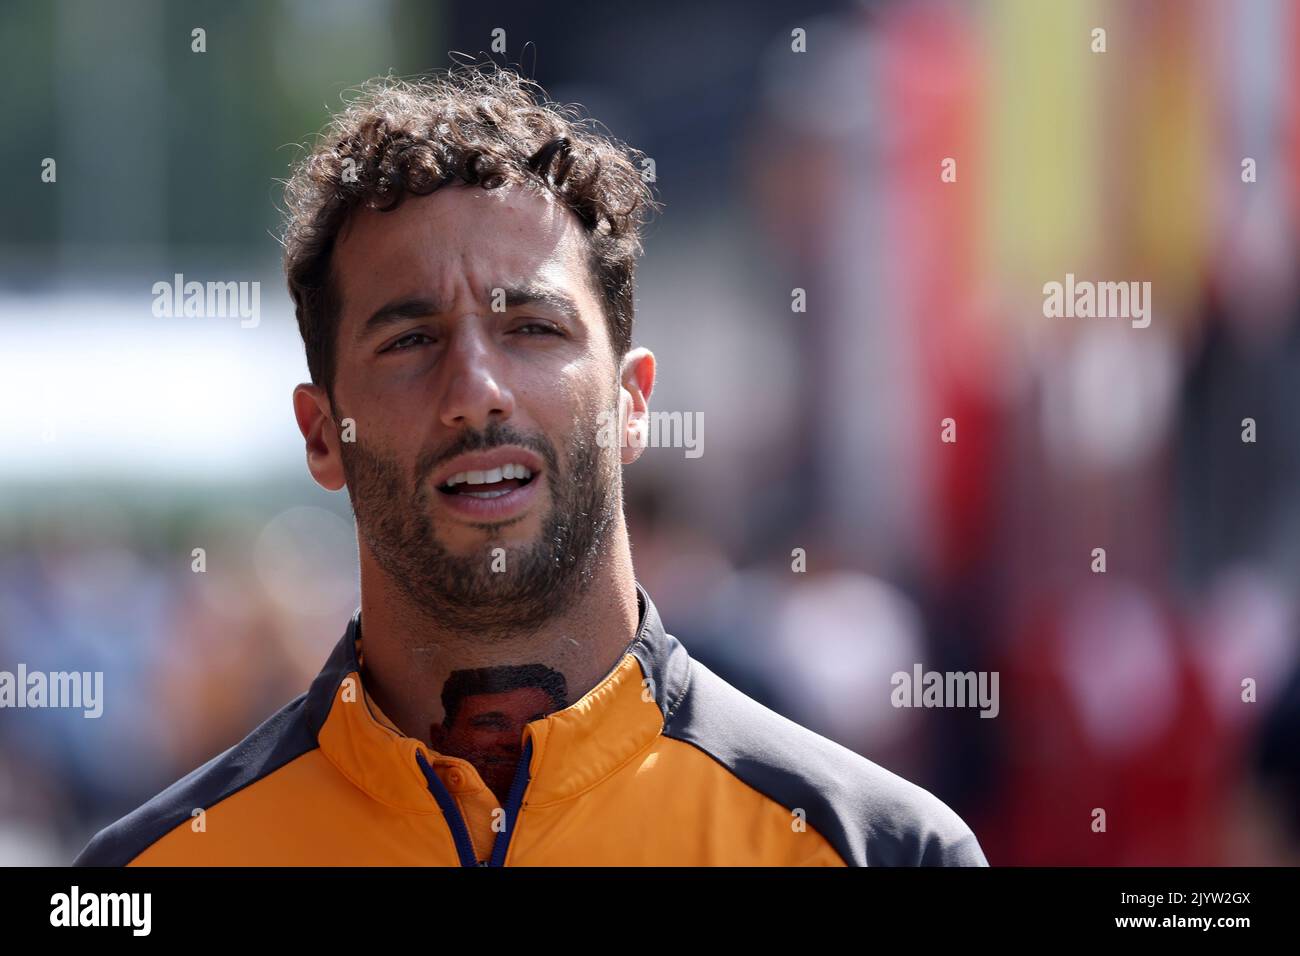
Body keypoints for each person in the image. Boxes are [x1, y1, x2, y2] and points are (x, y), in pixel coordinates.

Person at [75, 65, 987, 866]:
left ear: (632, 404)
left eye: (532, 330)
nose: (476, 391)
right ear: (322, 434)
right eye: (411, 339)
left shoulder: (876, 850)